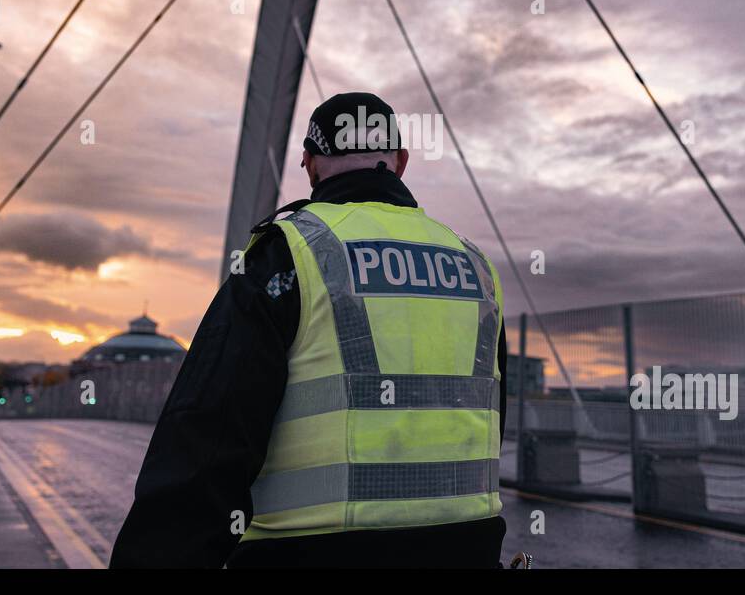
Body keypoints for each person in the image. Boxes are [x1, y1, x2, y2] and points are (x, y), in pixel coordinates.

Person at [112, 92, 508, 568]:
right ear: (401, 161)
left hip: (308, 553)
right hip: (469, 550)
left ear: (310, 161)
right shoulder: (475, 266)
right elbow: (490, 412)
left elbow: (209, 436)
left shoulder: (288, 252)